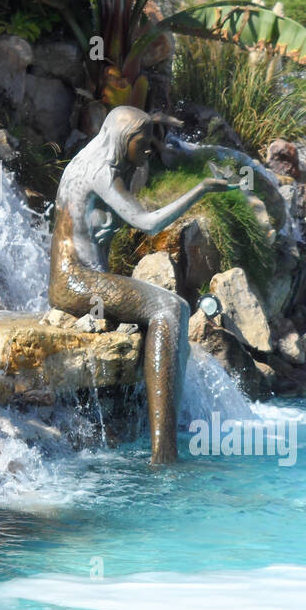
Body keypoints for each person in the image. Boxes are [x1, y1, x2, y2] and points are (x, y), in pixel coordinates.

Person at [48, 106, 243, 464]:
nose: (150, 148)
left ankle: (164, 446)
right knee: (169, 308)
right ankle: (164, 455)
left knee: (171, 307)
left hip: (80, 277)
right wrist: (201, 189)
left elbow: (89, 230)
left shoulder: (88, 160)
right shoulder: (101, 170)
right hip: (75, 281)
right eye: (143, 141)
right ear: (124, 139)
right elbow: (148, 224)